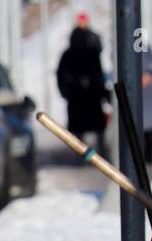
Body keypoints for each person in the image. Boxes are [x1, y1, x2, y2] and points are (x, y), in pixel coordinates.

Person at [57, 12, 109, 155]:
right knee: (94, 129)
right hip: (88, 96)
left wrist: (66, 92)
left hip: (78, 97)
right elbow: (99, 75)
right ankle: (99, 155)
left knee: (80, 132)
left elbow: (60, 75)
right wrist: (102, 93)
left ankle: (84, 155)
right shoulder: (91, 53)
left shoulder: (70, 54)